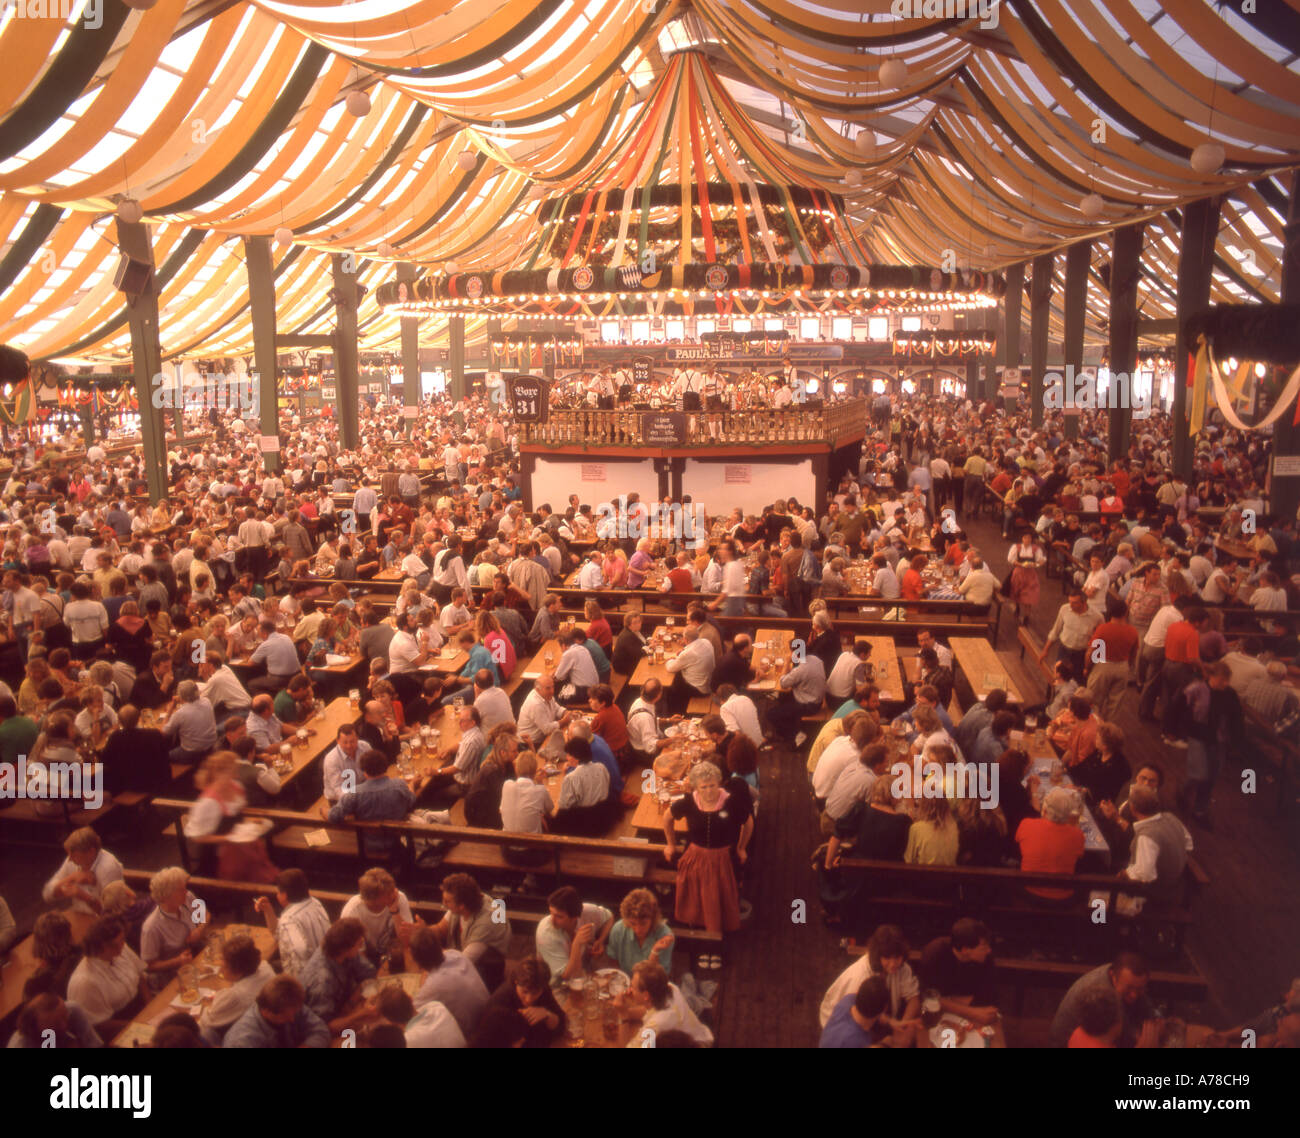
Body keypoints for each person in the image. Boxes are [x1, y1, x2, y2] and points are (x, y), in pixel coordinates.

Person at [664, 761, 750, 944]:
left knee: (719, 897)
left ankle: (715, 938)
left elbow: (748, 822)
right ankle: (697, 933)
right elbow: (667, 817)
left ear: (719, 783)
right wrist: (670, 845)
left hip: (722, 859)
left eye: (713, 785)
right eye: (704, 787)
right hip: (696, 857)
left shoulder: (731, 802)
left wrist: (741, 847)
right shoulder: (689, 802)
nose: (709, 790)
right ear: (696, 787)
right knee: (694, 896)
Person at [818, 924, 920, 1030]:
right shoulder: (860, 977)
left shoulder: (902, 968)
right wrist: (891, 1024)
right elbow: (857, 1015)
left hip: (875, 1018)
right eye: (887, 958)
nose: (893, 964)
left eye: (897, 957)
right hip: (843, 1023)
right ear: (878, 955)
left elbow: (914, 998)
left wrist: (903, 1025)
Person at [1049, 951, 1159, 1048]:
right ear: (1113, 977)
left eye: (1140, 989)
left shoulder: (1120, 974)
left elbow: (1149, 1013)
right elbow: (1124, 1036)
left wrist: (1155, 1019)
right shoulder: (1102, 996)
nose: (1134, 995)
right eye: (1129, 988)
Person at [65, 917, 149, 1034]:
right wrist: (141, 1025)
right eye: (118, 943)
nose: (123, 945)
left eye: (123, 939)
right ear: (101, 947)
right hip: (118, 1028)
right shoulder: (85, 982)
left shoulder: (120, 947)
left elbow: (140, 976)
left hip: (142, 1010)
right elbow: (99, 1025)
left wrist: (150, 1007)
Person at [431, 873, 512, 992]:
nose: (443, 904)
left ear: (461, 906)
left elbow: (462, 963)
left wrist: (436, 952)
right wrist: (423, 930)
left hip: (485, 969)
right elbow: (440, 927)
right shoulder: (467, 901)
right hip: (467, 956)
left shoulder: (485, 925)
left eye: (447, 901)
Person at [408, 925, 491, 1039]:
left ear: (417, 960)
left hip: (472, 1035)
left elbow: (409, 1012)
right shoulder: (455, 954)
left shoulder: (434, 985)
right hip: (487, 1017)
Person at [299, 917, 378, 1035]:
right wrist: (361, 1014)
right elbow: (325, 1028)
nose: (361, 947)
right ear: (345, 948)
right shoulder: (322, 982)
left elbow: (369, 972)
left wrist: (352, 1000)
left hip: (343, 1010)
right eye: (359, 944)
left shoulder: (344, 953)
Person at [917, 918, 999, 1025]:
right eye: (983, 947)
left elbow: (988, 998)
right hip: (936, 1015)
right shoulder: (934, 954)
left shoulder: (986, 958)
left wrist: (947, 1000)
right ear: (965, 950)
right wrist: (972, 1012)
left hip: (969, 1015)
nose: (989, 950)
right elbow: (927, 998)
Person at [197, 933, 275, 1044]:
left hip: (242, 1036)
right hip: (258, 1023)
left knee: (204, 1032)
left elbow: (208, 1020)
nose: (221, 969)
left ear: (238, 971)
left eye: (224, 966)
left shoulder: (235, 995)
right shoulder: (265, 966)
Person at [253, 868, 331, 977]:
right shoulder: (315, 902)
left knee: (261, 970)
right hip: (327, 967)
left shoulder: (288, 920)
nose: (277, 895)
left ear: (284, 895)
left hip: (310, 980)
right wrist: (268, 910)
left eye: (278, 892)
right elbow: (279, 934)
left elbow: (300, 951)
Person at [620, 959, 714, 1047]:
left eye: (633, 987)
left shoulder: (656, 1025)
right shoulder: (670, 988)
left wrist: (623, 1015)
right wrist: (627, 1012)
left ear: (646, 995)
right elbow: (648, 1011)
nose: (629, 990)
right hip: (701, 1037)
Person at [1015, 787, 1086, 901]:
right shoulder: (1078, 835)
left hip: (1029, 894)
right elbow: (1080, 856)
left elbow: (1018, 842)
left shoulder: (1026, 824)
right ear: (1068, 814)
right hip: (1063, 899)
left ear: (1045, 810)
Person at [139, 866, 207, 984]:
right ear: (166, 896)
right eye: (181, 890)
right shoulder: (151, 927)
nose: (186, 892)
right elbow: (148, 966)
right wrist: (177, 961)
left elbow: (205, 914)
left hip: (197, 958)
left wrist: (199, 930)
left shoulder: (187, 897)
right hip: (173, 976)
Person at [535, 886, 614, 986]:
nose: (552, 920)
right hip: (554, 984)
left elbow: (609, 917)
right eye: (551, 913)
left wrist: (600, 940)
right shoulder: (545, 934)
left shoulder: (587, 912)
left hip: (584, 972)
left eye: (559, 916)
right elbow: (567, 976)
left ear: (574, 917)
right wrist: (576, 944)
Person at [223, 975, 331, 1049]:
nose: (292, 1019)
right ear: (266, 1011)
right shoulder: (241, 1042)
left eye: (294, 1013)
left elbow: (321, 1031)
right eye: (285, 1017)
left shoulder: (290, 1004)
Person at [340, 867, 414, 964]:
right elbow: (359, 958)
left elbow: (407, 942)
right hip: (366, 961)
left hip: (394, 957)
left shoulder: (399, 898)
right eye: (389, 893)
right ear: (374, 899)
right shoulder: (351, 912)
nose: (394, 893)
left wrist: (394, 911)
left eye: (393, 889)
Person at [485, 957, 564, 1048]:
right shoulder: (499, 1003)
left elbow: (561, 1025)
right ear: (516, 982)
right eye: (524, 992)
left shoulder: (542, 989)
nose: (528, 999)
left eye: (535, 993)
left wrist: (547, 1015)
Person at [42, 827, 124, 913]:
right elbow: (47, 894)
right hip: (79, 914)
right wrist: (71, 878)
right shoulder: (71, 860)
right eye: (69, 855)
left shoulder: (109, 868)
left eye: (74, 855)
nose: (70, 859)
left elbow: (113, 913)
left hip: (102, 920)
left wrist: (83, 896)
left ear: (91, 852)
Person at [820, 974, 915, 1048]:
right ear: (885, 1008)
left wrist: (891, 1022)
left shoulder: (848, 1001)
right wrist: (885, 1044)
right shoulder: (856, 1041)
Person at [606, 888, 674, 976]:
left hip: (651, 982)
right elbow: (613, 961)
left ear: (653, 918)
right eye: (633, 923)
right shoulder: (618, 930)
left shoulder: (665, 936)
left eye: (643, 923)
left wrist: (655, 951)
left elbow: (658, 977)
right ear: (626, 919)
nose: (638, 929)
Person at [8, 993, 103, 1049]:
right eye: (55, 1024)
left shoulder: (72, 1010)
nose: (64, 1025)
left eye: (65, 1016)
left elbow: (94, 1045)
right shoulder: (20, 1045)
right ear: (34, 1028)